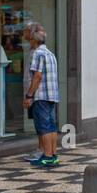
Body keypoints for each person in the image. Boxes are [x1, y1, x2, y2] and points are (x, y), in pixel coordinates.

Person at [23, 22, 61, 167]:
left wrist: (29, 95)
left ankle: (46, 156)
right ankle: (52, 155)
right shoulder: (50, 53)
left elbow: (37, 76)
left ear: (33, 39)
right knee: (51, 126)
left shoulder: (38, 54)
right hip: (52, 95)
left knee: (43, 126)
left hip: (41, 95)